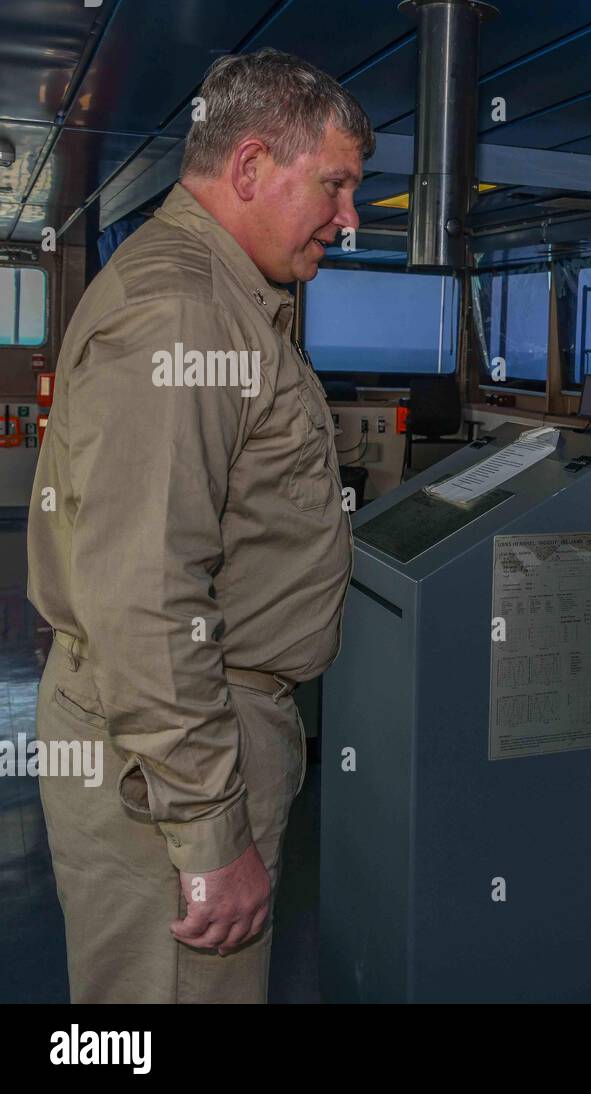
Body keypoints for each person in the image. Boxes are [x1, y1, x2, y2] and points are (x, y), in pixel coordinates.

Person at [28, 48, 373, 1003]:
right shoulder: (184, 314)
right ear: (253, 166)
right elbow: (143, 596)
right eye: (337, 185)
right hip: (177, 752)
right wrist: (213, 834)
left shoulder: (229, 298)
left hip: (194, 724)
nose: (350, 219)